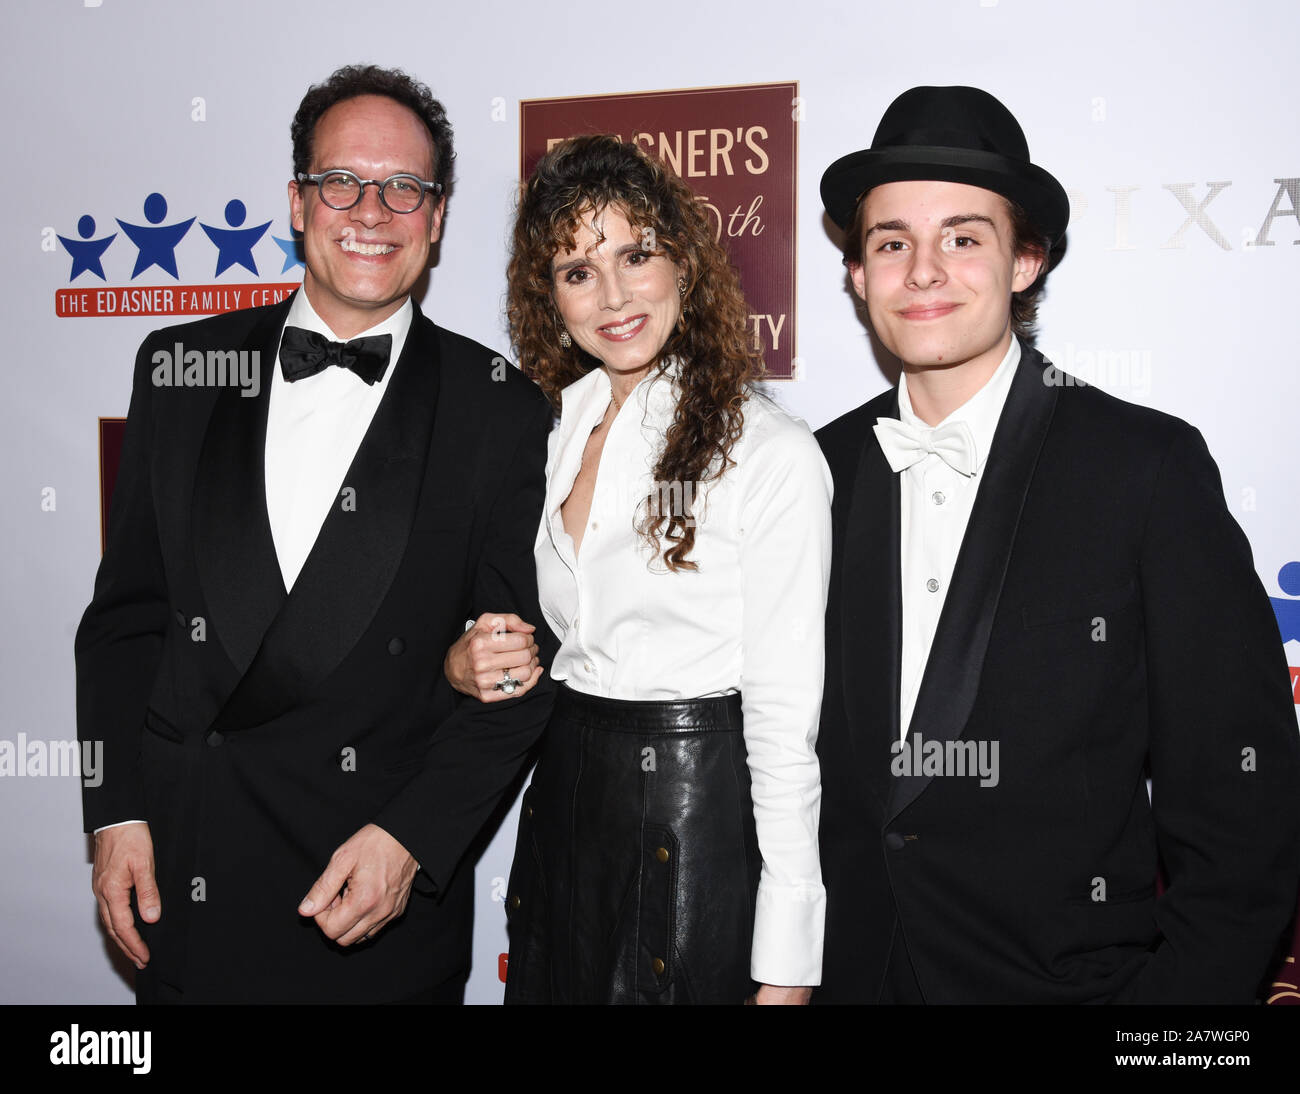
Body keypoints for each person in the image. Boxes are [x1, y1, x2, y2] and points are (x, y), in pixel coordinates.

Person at [74, 64, 554, 1004]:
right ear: (298, 202)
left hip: (373, 906)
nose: (371, 210)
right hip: (188, 882)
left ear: (438, 216)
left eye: (404, 187)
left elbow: (521, 681)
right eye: (342, 181)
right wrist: (115, 811)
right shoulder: (178, 367)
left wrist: (413, 841)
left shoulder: (500, 409)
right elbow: (125, 621)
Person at [814, 85, 1300, 1003]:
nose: (923, 271)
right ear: (856, 275)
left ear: (1026, 260)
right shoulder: (813, 470)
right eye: (891, 243)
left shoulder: (1145, 467)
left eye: (963, 237)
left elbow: (1243, 795)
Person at [445, 135, 830, 1004]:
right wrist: (464, 661)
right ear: (549, 296)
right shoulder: (556, 431)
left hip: (697, 823)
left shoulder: (769, 453)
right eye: (577, 271)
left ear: (684, 266)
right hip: (563, 807)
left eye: (636, 255)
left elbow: (782, 720)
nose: (612, 296)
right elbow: (555, 640)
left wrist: (788, 959)